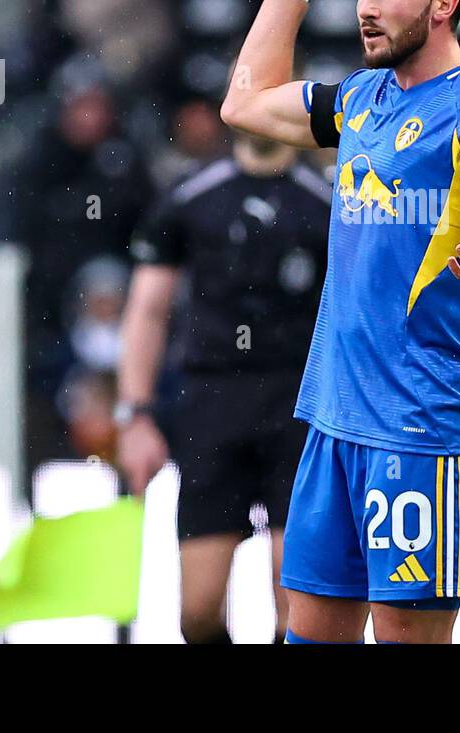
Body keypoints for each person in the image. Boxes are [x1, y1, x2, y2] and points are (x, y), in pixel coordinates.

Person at [120, 0, 460, 644]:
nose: (365, 8)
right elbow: (245, 104)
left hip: (423, 426)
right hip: (332, 418)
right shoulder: (360, 101)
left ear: (443, 4)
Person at [115, 131, 331, 643]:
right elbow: (147, 310)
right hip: (212, 403)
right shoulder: (191, 194)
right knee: (197, 612)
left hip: (301, 405)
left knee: (297, 603)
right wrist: (135, 416)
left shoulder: (328, 201)